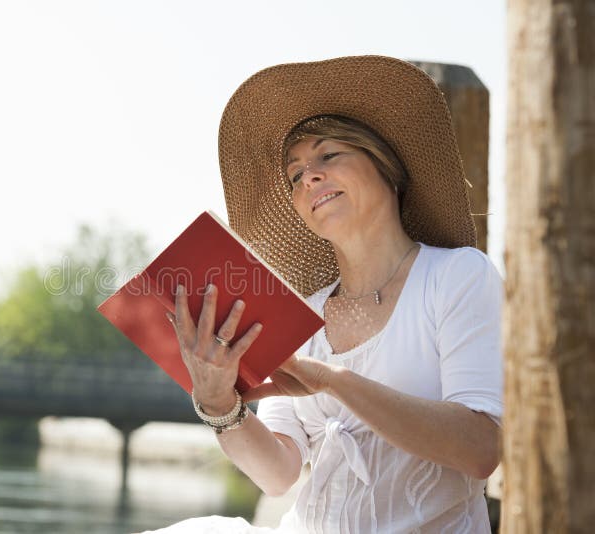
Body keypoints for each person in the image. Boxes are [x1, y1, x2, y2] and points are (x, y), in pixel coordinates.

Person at [146, 56, 502, 533]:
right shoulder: (303, 313)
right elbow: (278, 474)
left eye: (329, 155)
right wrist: (217, 404)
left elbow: (480, 450)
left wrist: (334, 382)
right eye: (295, 175)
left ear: (387, 168)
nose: (309, 176)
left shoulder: (458, 276)